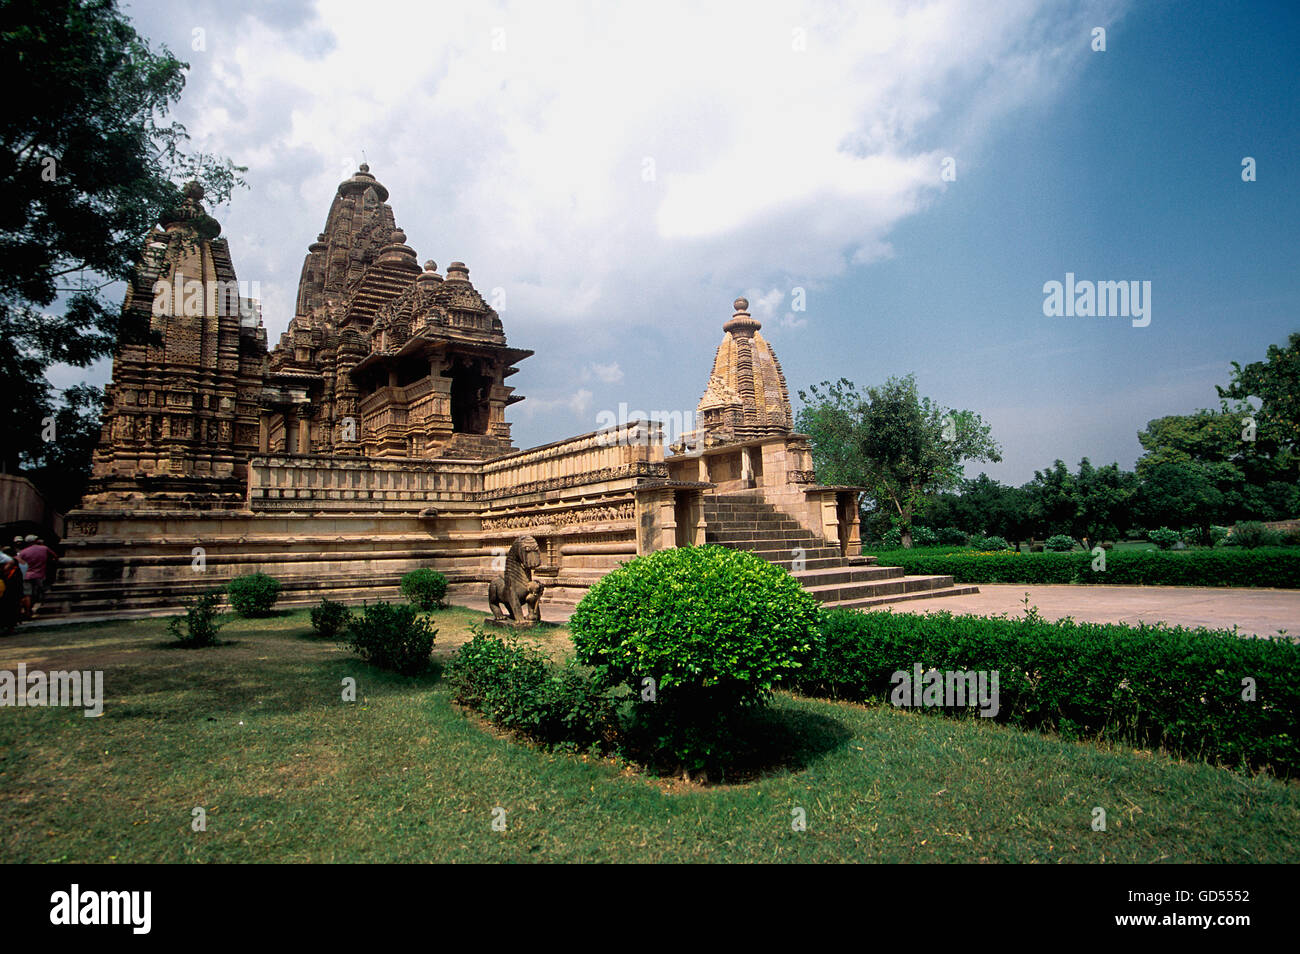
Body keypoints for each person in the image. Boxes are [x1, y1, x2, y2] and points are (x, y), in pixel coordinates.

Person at [18, 535, 58, 616]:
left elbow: (19, 562)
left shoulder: (23, 552)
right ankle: (35, 609)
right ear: (36, 540)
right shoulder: (44, 548)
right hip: (39, 575)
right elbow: (55, 557)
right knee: (38, 593)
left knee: (27, 594)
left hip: (26, 575)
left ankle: (28, 612)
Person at [0, 548, 22, 634]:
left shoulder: (13, 568)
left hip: (10, 590)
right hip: (9, 590)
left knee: (9, 607)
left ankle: (10, 626)